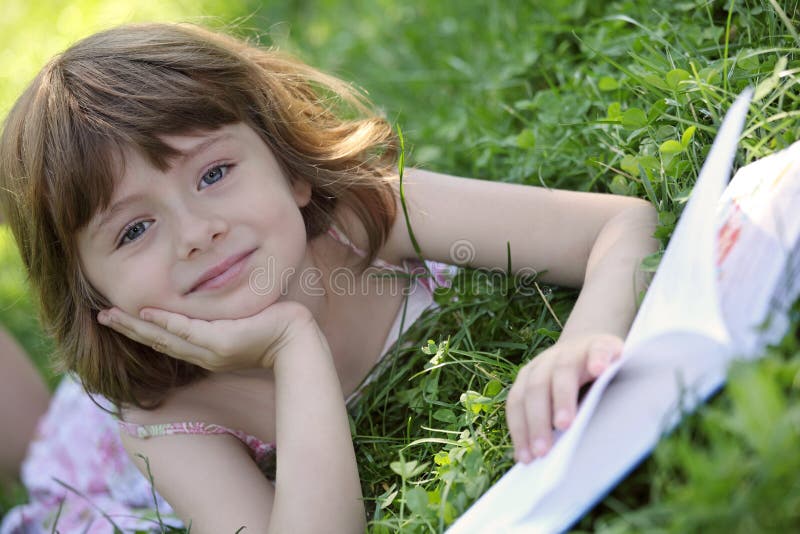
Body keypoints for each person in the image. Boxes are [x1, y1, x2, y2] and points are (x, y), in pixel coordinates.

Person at [0, 22, 658, 533]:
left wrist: (582, 342)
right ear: (91, 293)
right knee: (31, 462)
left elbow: (618, 227)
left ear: (290, 169)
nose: (197, 232)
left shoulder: (362, 218)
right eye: (134, 230)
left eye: (213, 174)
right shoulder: (163, 418)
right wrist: (293, 343)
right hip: (92, 450)